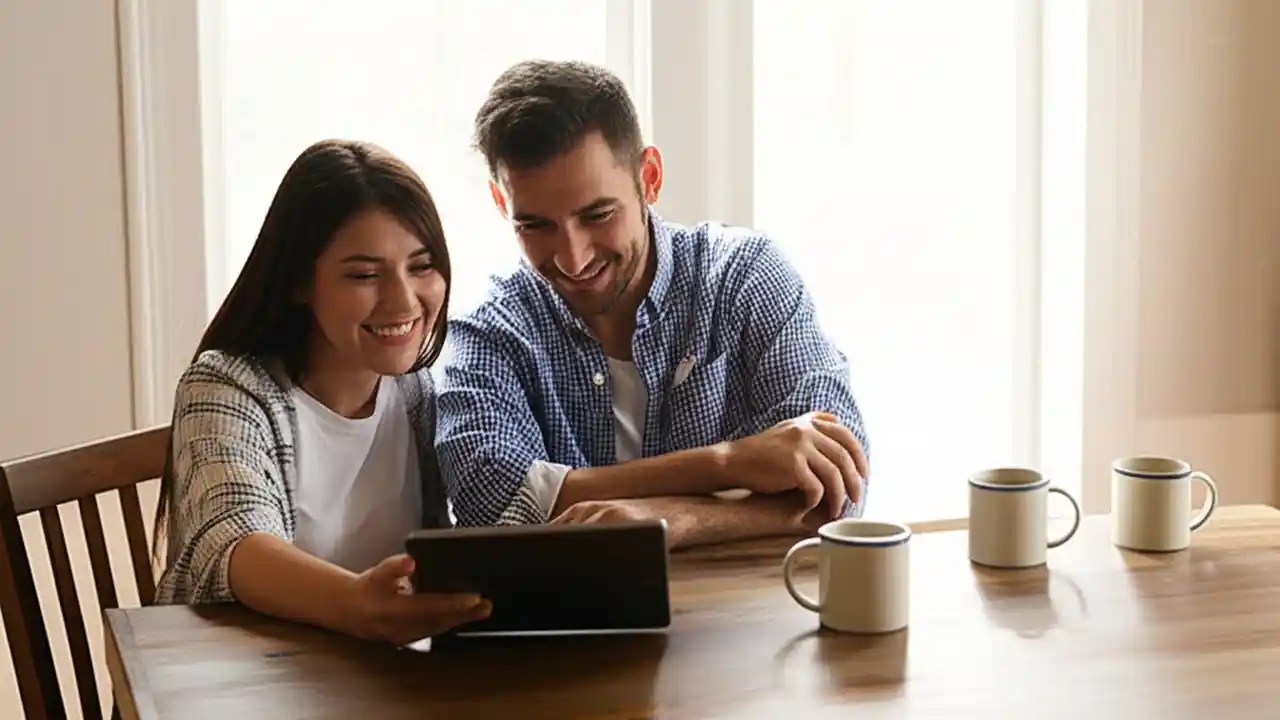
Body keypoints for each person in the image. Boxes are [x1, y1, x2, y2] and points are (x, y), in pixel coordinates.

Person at [436, 60, 871, 548]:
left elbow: (839, 489)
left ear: (649, 177)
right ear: (501, 201)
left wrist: (672, 520)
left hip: (748, 614)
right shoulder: (489, 332)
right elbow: (492, 506)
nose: (572, 257)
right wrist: (729, 462)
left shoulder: (743, 275)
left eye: (597, 214)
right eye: (534, 225)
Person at [154, 139, 491, 644]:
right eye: (364, 275)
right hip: (248, 691)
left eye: (421, 266)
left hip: (377, 688)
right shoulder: (225, 388)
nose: (404, 300)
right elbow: (235, 541)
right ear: (298, 283)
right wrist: (358, 605)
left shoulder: (415, 390)